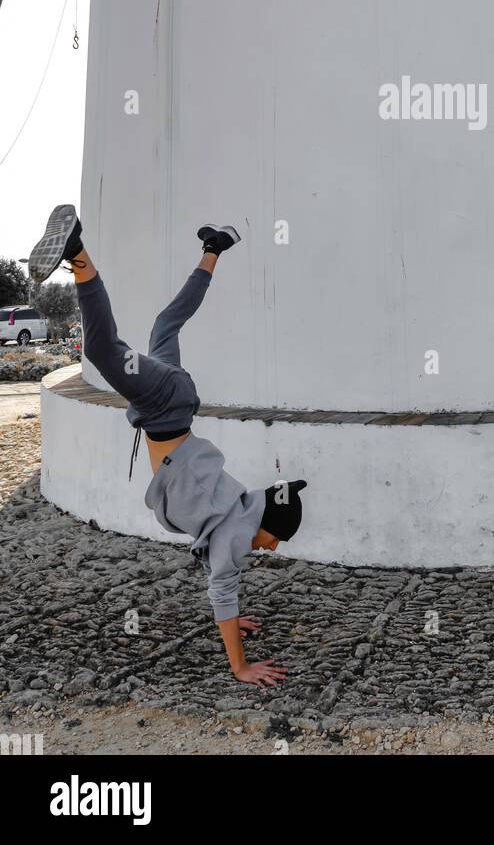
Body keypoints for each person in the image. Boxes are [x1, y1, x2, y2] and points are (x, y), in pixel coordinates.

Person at [29, 204, 306, 687]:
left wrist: (232, 620)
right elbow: (223, 588)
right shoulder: (235, 539)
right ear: (266, 526)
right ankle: (77, 250)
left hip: (174, 402)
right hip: (164, 407)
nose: (273, 549)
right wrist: (239, 665)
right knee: (102, 350)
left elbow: (226, 586)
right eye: (276, 539)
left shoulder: (240, 509)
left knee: (165, 326)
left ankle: (214, 248)